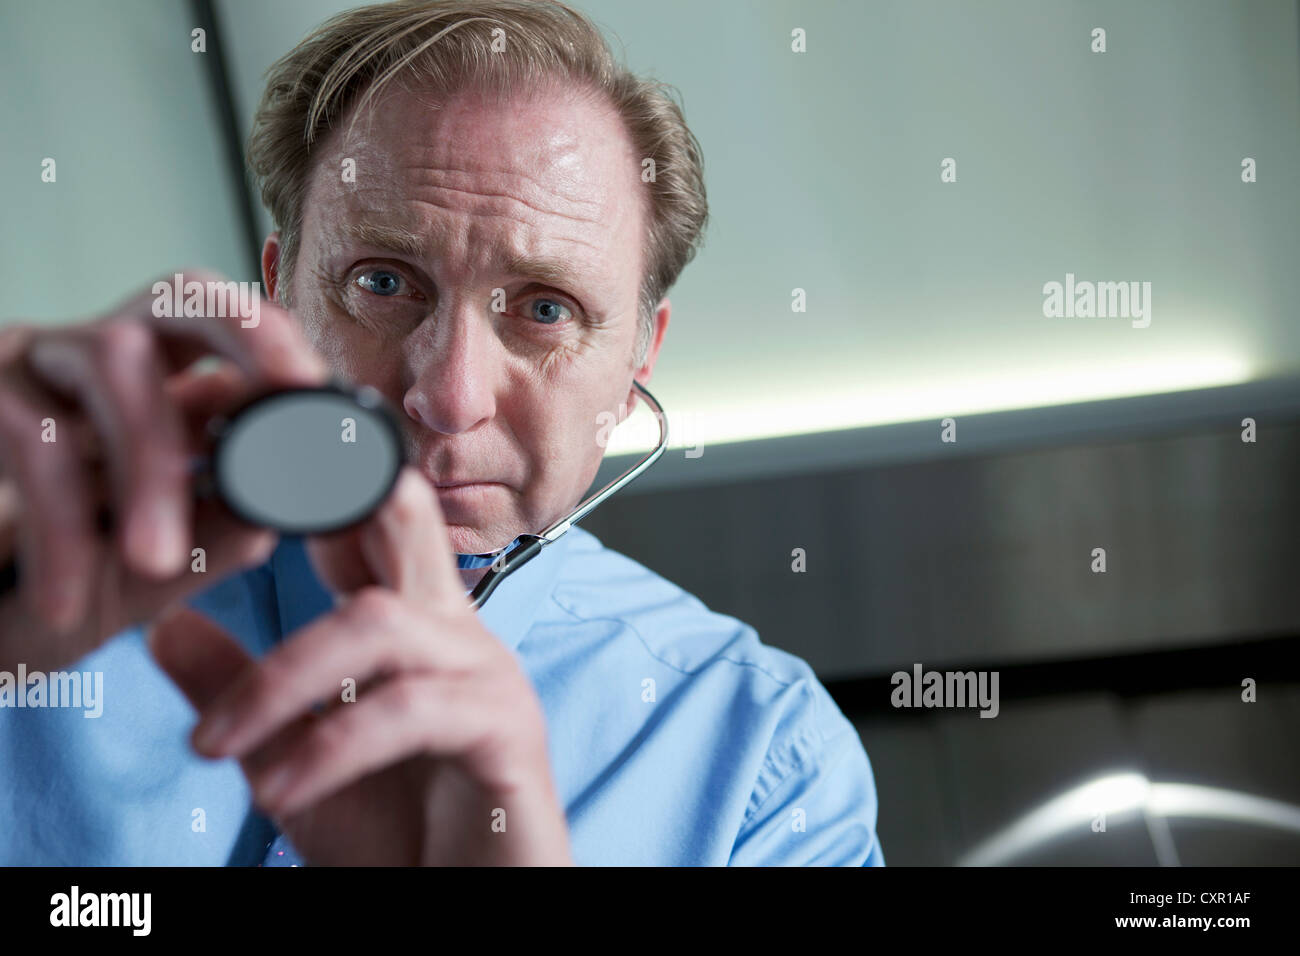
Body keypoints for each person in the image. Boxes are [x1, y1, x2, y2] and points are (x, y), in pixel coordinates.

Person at [0, 0, 883, 866]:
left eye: (546, 309)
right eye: (382, 284)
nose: (449, 397)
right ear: (281, 287)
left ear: (636, 363)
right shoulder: (41, 598)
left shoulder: (766, 764)